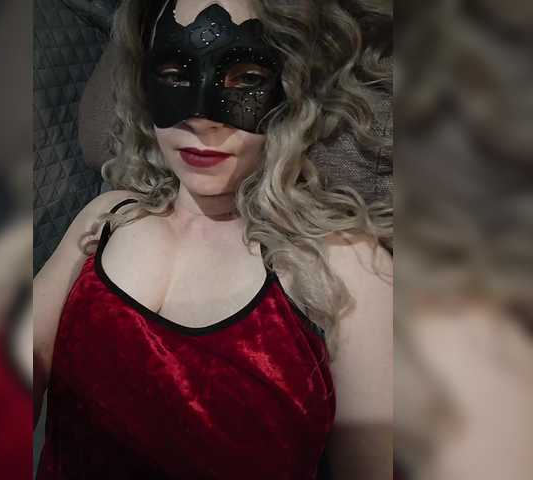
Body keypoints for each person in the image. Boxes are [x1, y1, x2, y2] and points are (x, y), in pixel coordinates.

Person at [34, 0, 392, 478]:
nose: (201, 118)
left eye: (246, 78)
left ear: (293, 88)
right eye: (174, 74)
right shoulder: (105, 217)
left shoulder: (348, 266)